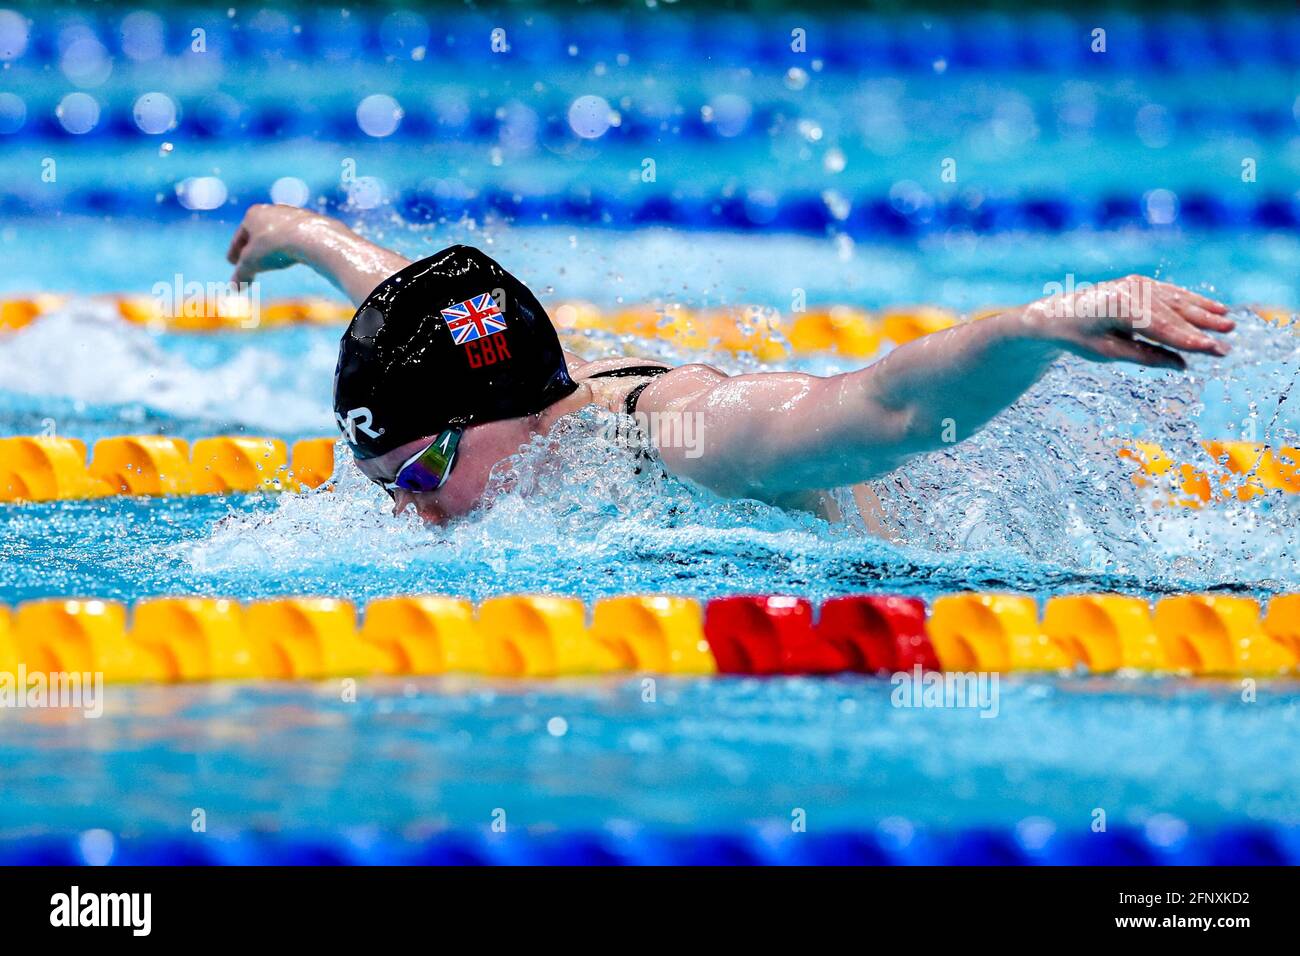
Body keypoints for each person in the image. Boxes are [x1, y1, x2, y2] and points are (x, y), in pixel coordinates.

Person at [226, 204, 1234, 526]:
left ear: (489, 415)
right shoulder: (524, 398)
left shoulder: (686, 437)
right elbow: (422, 305)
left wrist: (1038, 326)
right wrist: (302, 233)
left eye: (415, 474)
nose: (407, 508)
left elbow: (882, 407)